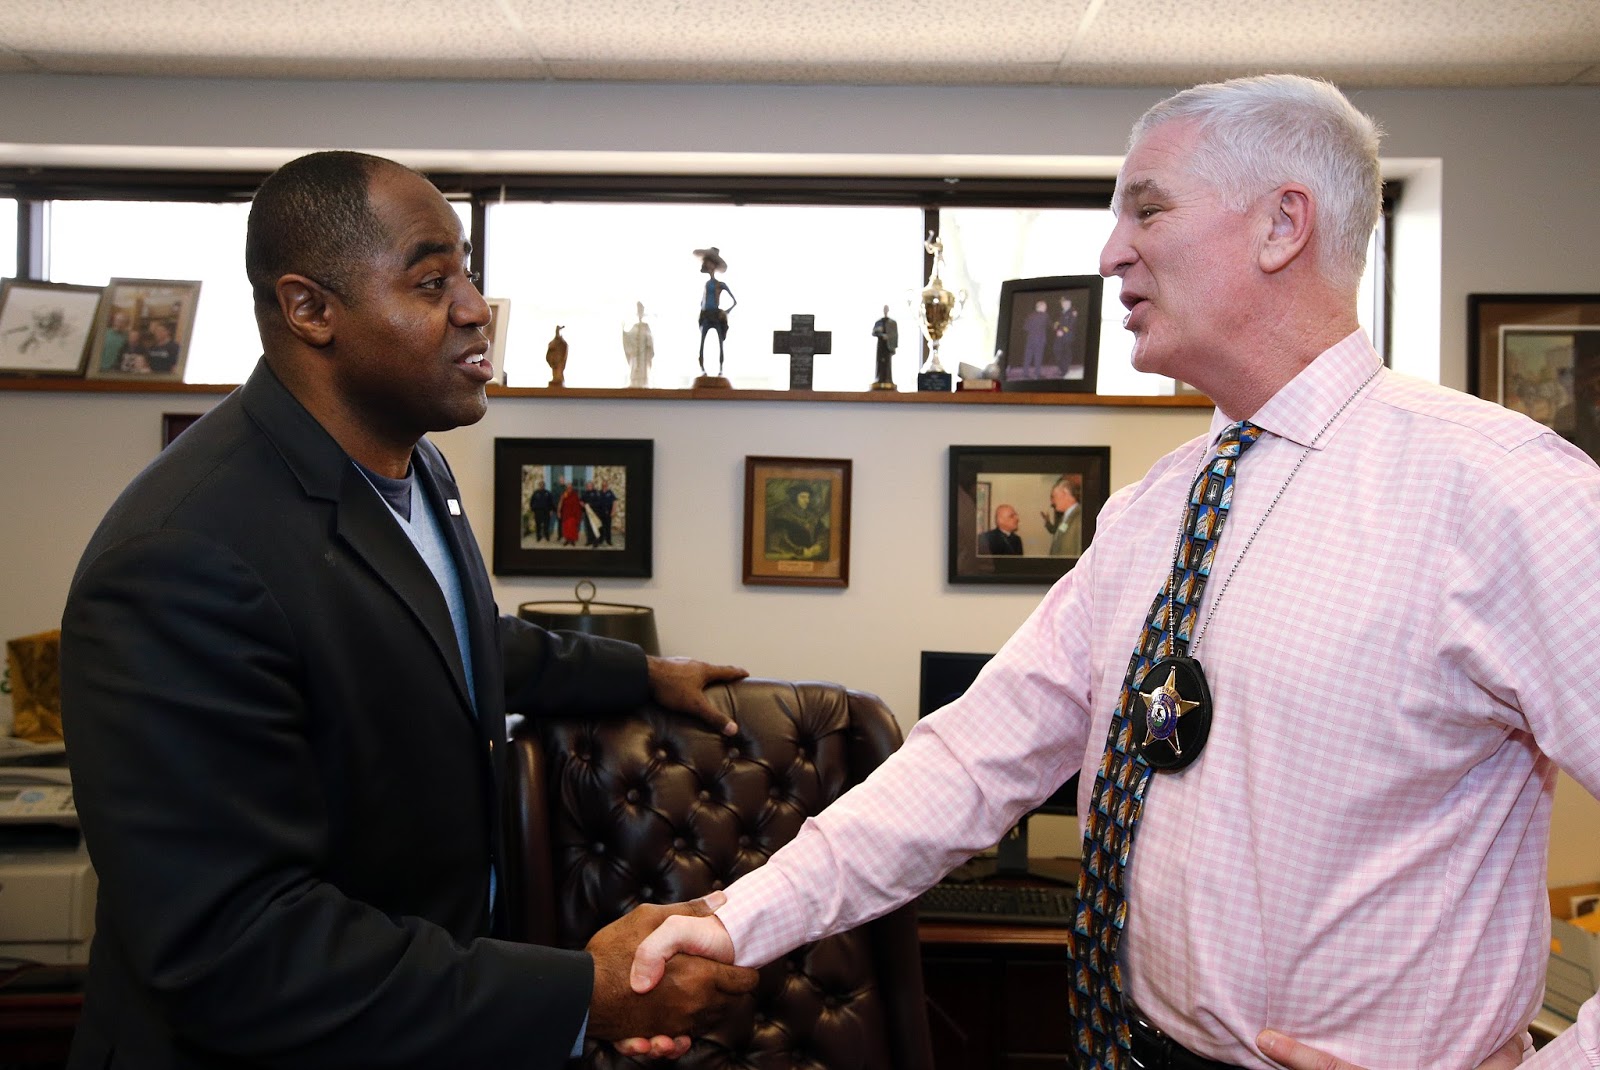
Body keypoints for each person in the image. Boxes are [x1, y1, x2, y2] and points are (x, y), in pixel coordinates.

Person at [632, 74, 1600, 1070]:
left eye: (1147, 209)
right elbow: (975, 755)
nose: (1108, 255)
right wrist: (739, 915)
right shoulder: (1152, 513)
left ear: (1282, 224)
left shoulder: (1500, 491)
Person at [59, 150, 758, 1070]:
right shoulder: (178, 559)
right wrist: (582, 999)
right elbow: (233, 947)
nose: (474, 308)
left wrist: (641, 672)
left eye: (467, 272)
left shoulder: (411, 463)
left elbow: (451, 643)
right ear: (311, 310)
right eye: (432, 282)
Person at [694, 246, 736, 378]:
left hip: (716, 315)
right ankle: (702, 368)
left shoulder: (720, 284)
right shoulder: (707, 284)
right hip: (706, 315)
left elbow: (734, 301)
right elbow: (703, 300)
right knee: (702, 342)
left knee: (720, 342)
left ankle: (721, 369)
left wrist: (726, 312)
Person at [765, 484, 827, 560]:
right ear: (794, 498)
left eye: (808, 497)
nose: (807, 501)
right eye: (803, 497)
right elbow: (777, 540)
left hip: (813, 555)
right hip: (791, 556)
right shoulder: (782, 514)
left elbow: (823, 532)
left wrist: (818, 546)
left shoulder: (812, 515)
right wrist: (798, 550)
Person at [1042, 475, 1082, 556]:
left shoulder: (1080, 518)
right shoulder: (1065, 517)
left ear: (1065, 493)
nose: (1052, 502)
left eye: (1054, 496)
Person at [622, 301, 654, 387]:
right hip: (636, 356)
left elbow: (650, 341)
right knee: (635, 369)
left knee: (643, 371)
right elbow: (629, 338)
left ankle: (644, 384)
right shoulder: (635, 327)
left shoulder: (646, 326)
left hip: (644, 357)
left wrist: (648, 346)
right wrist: (624, 334)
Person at [1020, 297, 1050, 376]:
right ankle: (1037, 373)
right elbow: (1049, 325)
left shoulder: (1030, 315)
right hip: (1040, 340)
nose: (1046, 308)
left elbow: (1025, 328)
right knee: (1038, 357)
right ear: (1041, 307)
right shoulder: (1045, 315)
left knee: (1028, 357)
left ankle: (1025, 373)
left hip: (1030, 339)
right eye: (1045, 306)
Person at [872, 305, 899, 388]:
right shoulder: (879, 322)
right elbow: (874, 332)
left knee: (887, 363)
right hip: (881, 345)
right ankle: (879, 378)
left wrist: (892, 343)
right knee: (880, 362)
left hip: (888, 346)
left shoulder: (892, 323)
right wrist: (881, 334)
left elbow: (895, 334)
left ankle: (887, 378)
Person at [528, 477, 553, 542]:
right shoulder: (536, 493)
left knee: (546, 525)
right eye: (540, 485)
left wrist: (551, 510)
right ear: (539, 485)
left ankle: (547, 536)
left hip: (546, 511)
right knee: (538, 525)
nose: (542, 486)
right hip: (538, 511)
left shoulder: (548, 493)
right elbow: (531, 502)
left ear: (544, 486)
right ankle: (538, 537)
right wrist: (533, 510)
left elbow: (551, 502)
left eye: (543, 485)